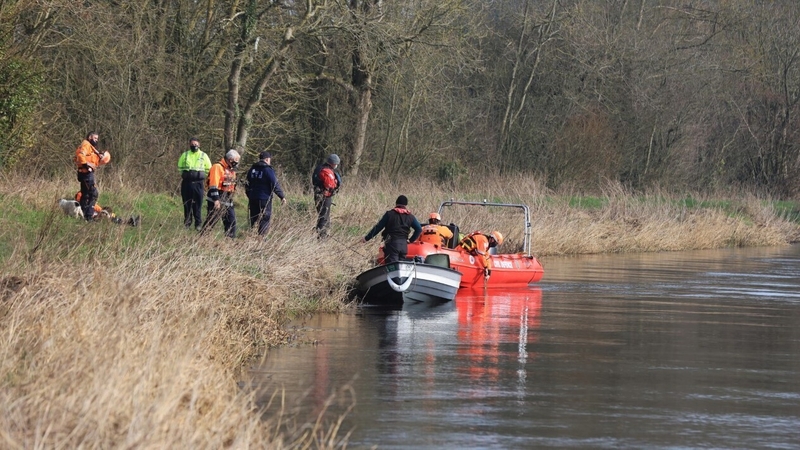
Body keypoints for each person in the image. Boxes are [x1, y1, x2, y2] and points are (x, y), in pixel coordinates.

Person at [361, 195, 422, 264]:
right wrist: (410, 240)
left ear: (396, 203)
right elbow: (419, 229)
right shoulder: (410, 216)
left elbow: (378, 227)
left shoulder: (389, 214)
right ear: (406, 205)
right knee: (401, 267)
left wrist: (366, 238)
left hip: (392, 245)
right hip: (404, 246)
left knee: (392, 267)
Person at [201, 149, 240, 238]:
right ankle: (202, 238)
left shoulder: (231, 169)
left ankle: (230, 241)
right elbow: (213, 185)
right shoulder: (217, 167)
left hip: (227, 198)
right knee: (211, 221)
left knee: (231, 221)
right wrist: (216, 200)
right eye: (236, 161)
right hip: (217, 198)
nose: (237, 163)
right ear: (230, 160)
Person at [245, 151, 286, 236]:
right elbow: (274, 184)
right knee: (264, 219)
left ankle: (252, 237)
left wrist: (250, 195)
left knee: (254, 219)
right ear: (267, 159)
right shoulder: (268, 170)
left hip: (253, 198)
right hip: (264, 199)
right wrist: (282, 196)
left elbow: (247, 184)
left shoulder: (252, 169)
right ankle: (262, 238)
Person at [73, 131, 110, 221]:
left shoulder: (91, 148)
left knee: (85, 195)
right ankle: (89, 216)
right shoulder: (86, 144)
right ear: (90, 137)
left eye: (97, 139)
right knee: (93, 194)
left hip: (85, 174)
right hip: (86, 174)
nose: (96, 140)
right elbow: (81, 155)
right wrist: (86, 165)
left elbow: (77, 158)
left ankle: (83, 214)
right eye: (95, 138)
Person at [177, 137, 212, 230]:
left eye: (196, 144)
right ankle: (187, 223)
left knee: (198, 204)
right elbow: (179, 167)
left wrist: (202, 176)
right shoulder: (185, 155)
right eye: (192, 144)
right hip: (187, 183)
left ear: (199, 145)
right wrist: (186, 175)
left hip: (198, 184)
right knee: (187, 204)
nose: (194, 146)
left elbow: (209, 168)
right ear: (189, 145)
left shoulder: (203, 155)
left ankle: (198, 224)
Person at [312, 154, 342, 238]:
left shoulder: (319, 168)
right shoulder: (327, 171)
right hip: (325, 196)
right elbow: (330, 185)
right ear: (333, 163)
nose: (336, 165)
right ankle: (322, 236)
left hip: (318, 195)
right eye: (336, 163)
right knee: (324, 217)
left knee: (322, 215)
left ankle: (322, 234)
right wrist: (336, 183)